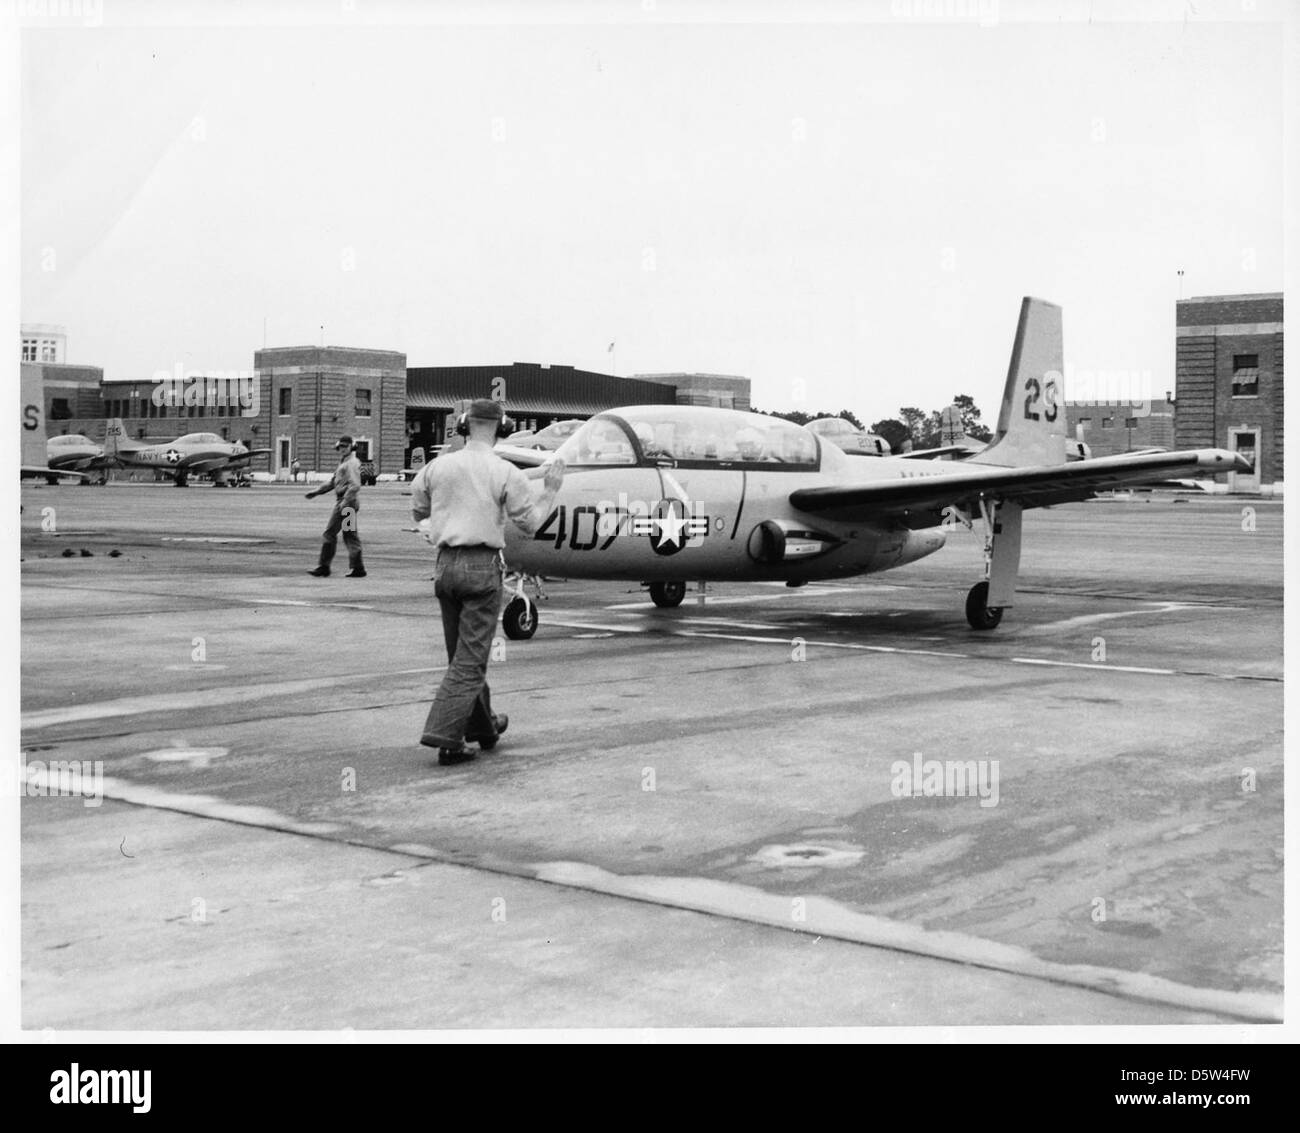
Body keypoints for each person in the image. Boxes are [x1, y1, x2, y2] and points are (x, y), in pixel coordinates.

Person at [411, 399, 565, 766]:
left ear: (464, 425)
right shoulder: (505, 471)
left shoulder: (438, 466)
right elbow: (530, 524)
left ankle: (484, 727)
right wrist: (551, 489)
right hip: (482, 568)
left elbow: (418, 509)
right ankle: (447, 737)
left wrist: (440, 526)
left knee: (462, 655)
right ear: (503, 427)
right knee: (470, 661)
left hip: (445, 566)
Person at [305, 435, 366, 578]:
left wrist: (345, 502)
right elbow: (333, 482)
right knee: (350, 534)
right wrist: (317, 492)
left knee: (330, 533)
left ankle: (324, 567)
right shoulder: (344, 463)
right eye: (341, 447)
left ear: (351, 447)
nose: (342, 449)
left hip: (346, 503)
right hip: (346, 503)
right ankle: (358, 568)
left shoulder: (351, 463)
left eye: (345, 446)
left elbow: (355, 485)